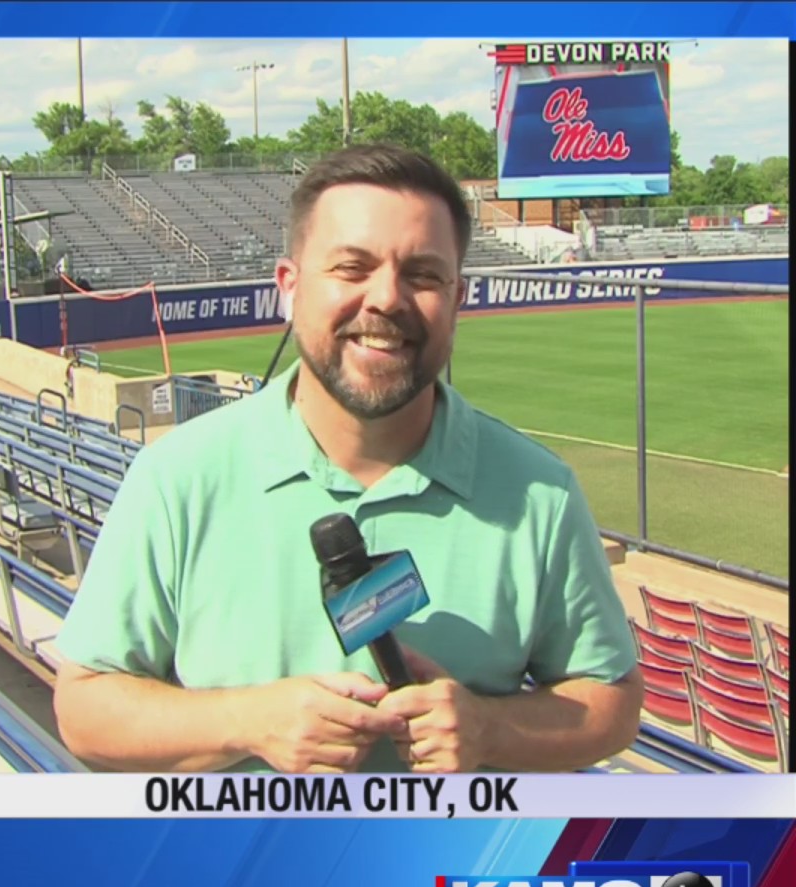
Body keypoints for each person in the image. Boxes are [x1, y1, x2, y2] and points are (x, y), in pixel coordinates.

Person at [51, 144, 642, 775]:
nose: (387, 299)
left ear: (457, 297)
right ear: (290, 285)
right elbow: (85, 709)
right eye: (352, 268)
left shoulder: (539, 494)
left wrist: (491, 730)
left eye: (423, 275)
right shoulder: (176, 479)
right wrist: (251, 722)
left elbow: (612, 699)